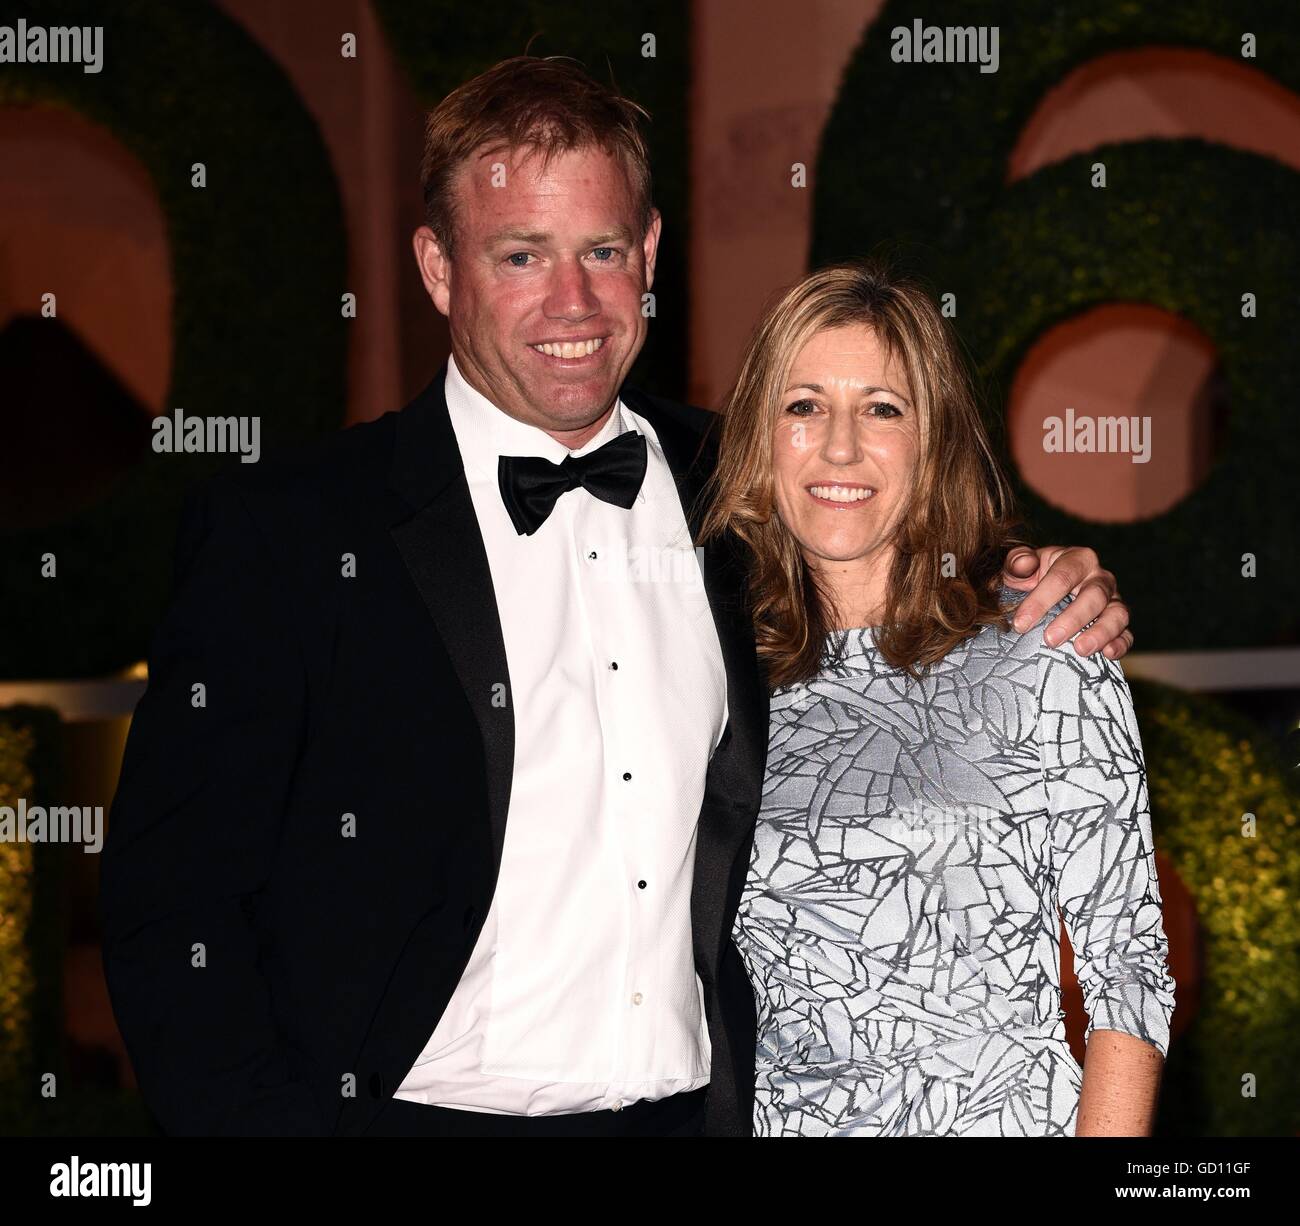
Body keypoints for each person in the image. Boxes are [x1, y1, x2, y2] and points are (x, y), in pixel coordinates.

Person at [99, 56, 1136, 1138]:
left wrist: (1037, 581)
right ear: (439, 268)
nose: (573, 302)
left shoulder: (747, 487)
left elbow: (905, 557)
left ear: (646, 255)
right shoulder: (289, 534)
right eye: (520, 255)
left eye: (601, 249)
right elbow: (172, 908)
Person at [701, 260, 1176, 1136]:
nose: (839, 447)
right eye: (804, 405)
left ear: (935, 440)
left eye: (883, 408)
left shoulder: (1046, 646)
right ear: (760, 439)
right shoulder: (710, 670)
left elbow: (1128, 967)